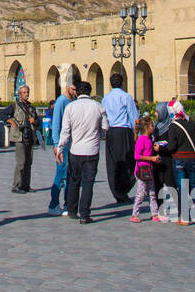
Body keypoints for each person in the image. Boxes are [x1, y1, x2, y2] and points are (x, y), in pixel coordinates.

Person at [56, 80, 106, 224]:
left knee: (73, 180)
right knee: (88, 183)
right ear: (89, 92)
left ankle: (72, 210)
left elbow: (65, 131)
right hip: (92, 150)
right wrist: (97, 134)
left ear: (77, 92)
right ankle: (84, 214)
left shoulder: (70, 107)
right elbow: (105, 127)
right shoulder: (98, 107)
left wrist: (60, 148)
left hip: (75, 150)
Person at [156, 100, 195, 225]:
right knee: (192, 186)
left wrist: (160, 148)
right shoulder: (191, 123)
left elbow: (171, 147)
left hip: (179, 160)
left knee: (182, 187)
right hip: (192, 159)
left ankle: (184, 218)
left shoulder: (174, 125)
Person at [102, 72, 138, 204]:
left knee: (113, 163)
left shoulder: (105, 98)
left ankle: (116, 191)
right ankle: (123, 190)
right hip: (124, 132)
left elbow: (104, 117)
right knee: (127, 162)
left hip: (111, 132)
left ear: (111, 84)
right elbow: (134, 116)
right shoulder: (126, 97)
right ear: (122, 83)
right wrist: (137, 134)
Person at [4, 84, 39, 194]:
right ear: (19, 94)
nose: (26, 94)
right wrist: (11, 122)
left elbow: (38, 122)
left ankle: (26, 185)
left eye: (27, 92)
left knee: (29, 162)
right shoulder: (14, 106)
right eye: (24, 92)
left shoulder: (31, 107)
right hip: (20, 137)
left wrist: (35, 121)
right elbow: (2, 115)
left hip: (29, 137)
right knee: (21, 162)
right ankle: (16, 186)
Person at [47, 80, 75, 216]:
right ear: (68, 87)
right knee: (61, 175)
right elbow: (56, 123)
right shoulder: (61, 102)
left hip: (71, 144)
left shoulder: (72, 101)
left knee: (69, 175)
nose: (76, 92)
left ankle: (67, 204)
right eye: (74, 89)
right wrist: (56, 144)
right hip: (62, 145)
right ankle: (53, 205)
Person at [129, 115, 163, 222]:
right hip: (141, 170)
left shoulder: (149, 139)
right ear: (146, 128)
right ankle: (134, 214)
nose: (154, 127)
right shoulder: (141, 140)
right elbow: (137, 156)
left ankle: (154, 213)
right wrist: (151, 158)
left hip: (149, 169)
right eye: (152, 126)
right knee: (141, 193)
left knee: (152, 192)